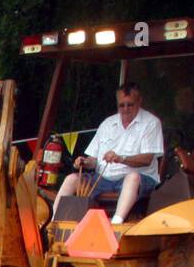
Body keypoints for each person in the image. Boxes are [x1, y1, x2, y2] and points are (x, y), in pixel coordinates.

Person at [51, 81, 163, 225]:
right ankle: (53, 221)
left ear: (139, 101)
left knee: (133, 177)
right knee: (71, 179)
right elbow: (94, 160)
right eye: (121, 105)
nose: (125, 109)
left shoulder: (151, 123)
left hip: (138, 179)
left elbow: (147, 159)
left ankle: (116, 222)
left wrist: (121, 158)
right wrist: (85, 162)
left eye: (130, 104)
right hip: (103, 179)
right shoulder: (107, 123)